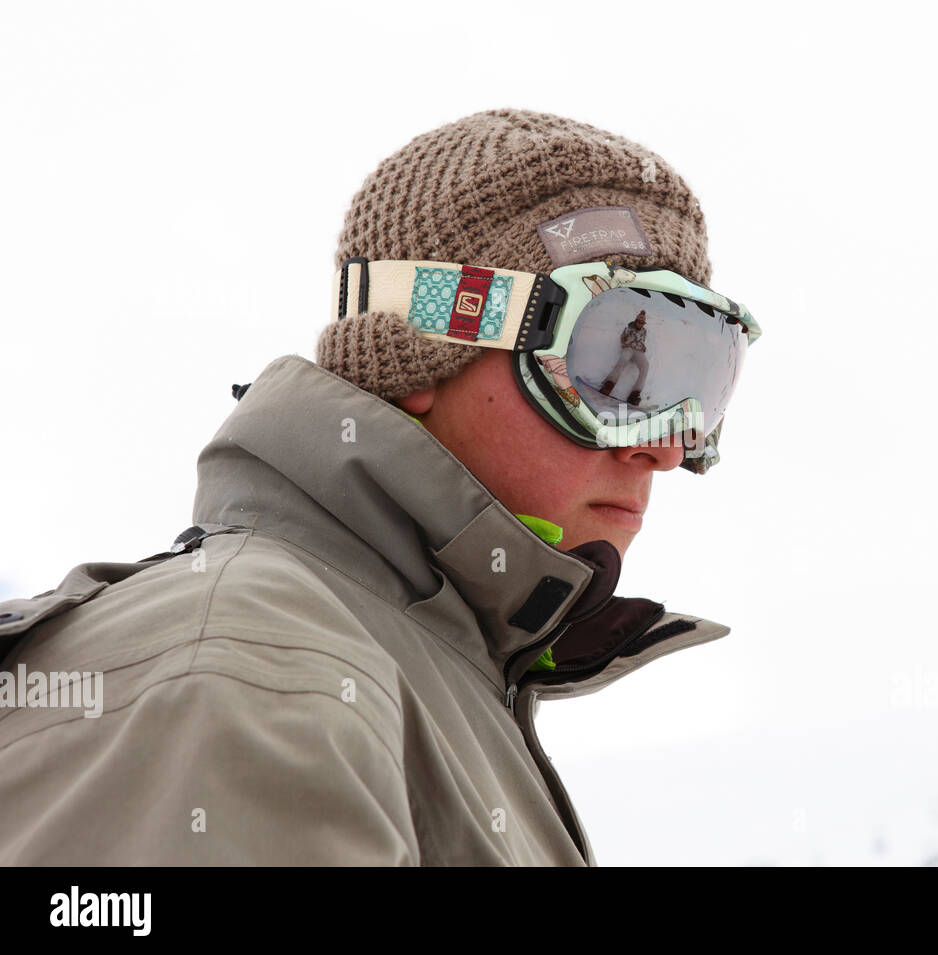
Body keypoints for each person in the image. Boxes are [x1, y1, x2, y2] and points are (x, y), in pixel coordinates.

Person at [0, 108, 759, 866]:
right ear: (423, 347)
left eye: (695, 379)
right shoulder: (253, 670)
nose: (664, 446)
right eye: (615, 366)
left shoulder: (430, 676)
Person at [599, 309, 651, 406]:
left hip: (638, 351)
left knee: (646, 366)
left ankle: (634, 394)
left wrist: (643, 347)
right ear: (636, 321)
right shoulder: (628, 328)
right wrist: (627, 341)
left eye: (642, 322)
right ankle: (609, 384)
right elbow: (623, 341)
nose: (640, 324)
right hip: (629, 349)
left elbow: (642, 342)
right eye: (639, 322)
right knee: (624, 359)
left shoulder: (644, 331)